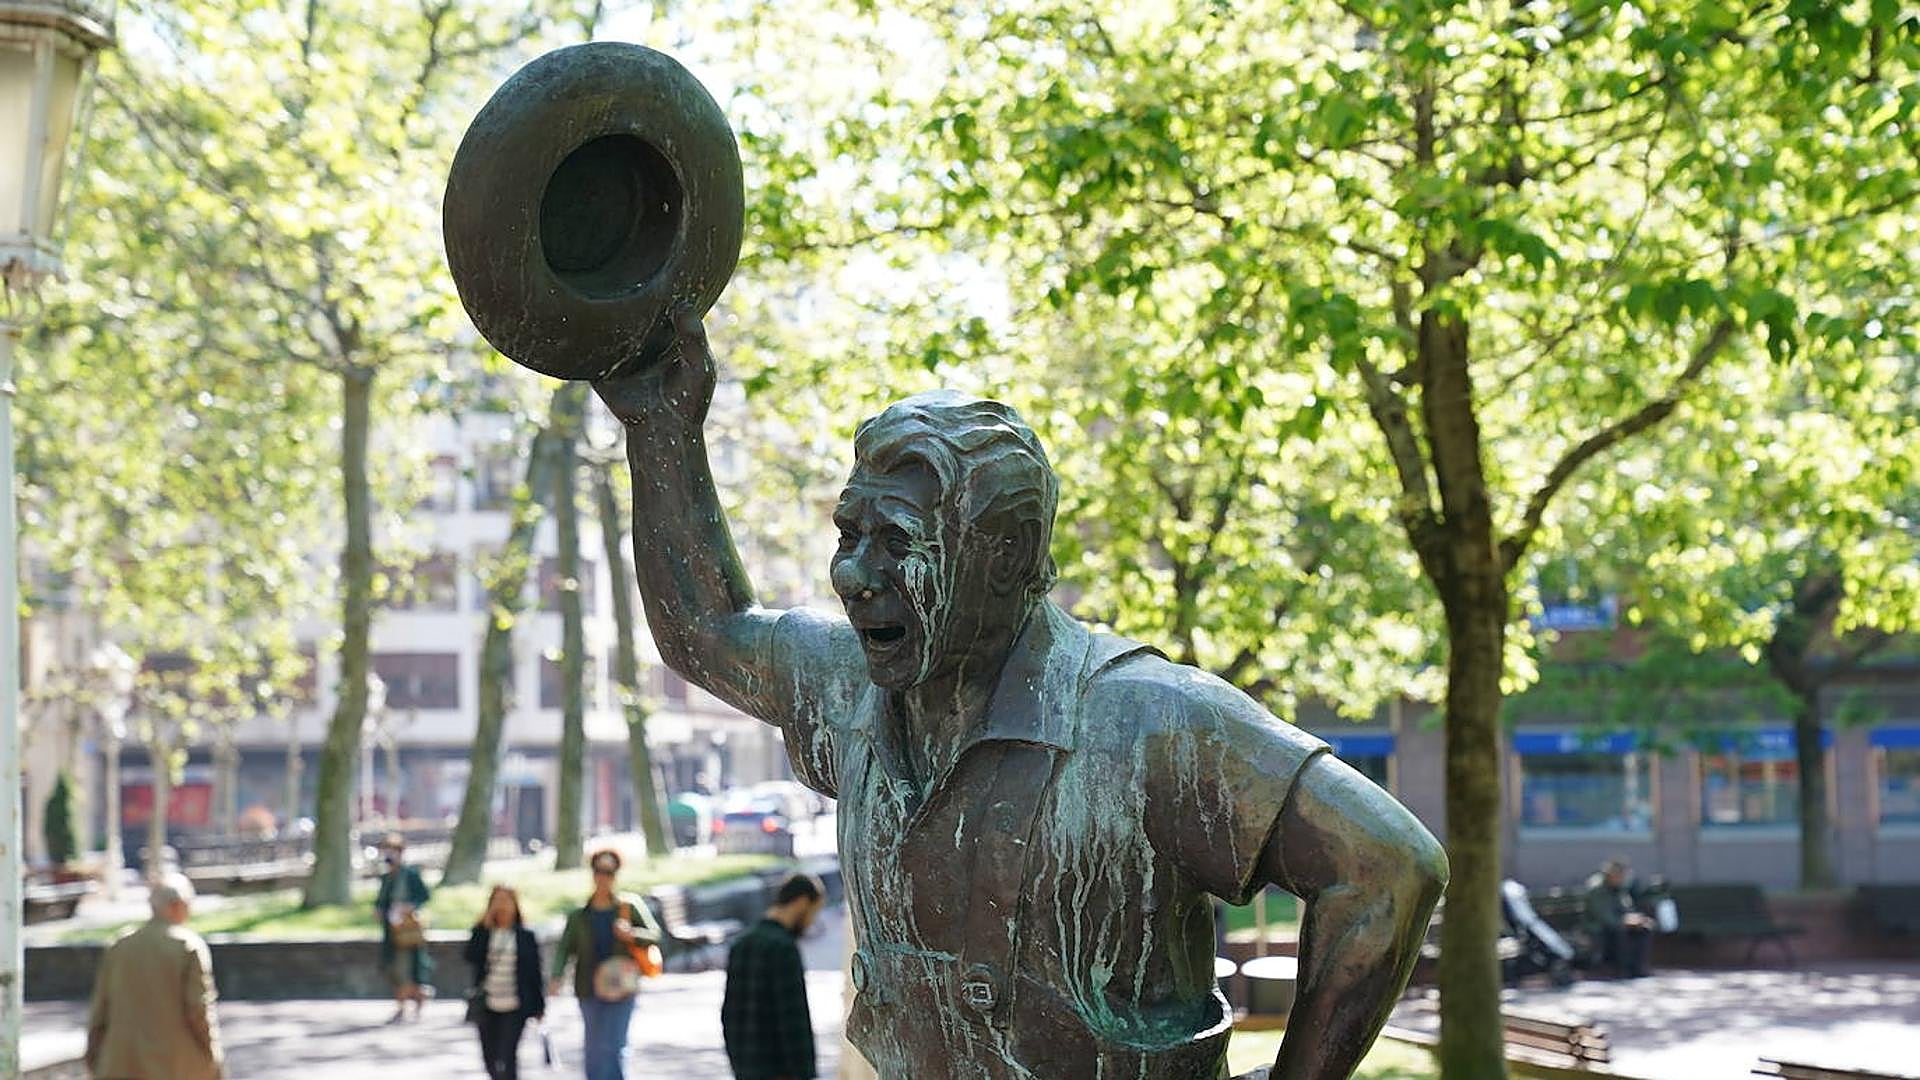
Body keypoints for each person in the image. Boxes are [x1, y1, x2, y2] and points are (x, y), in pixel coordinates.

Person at [593, 313, 1448, 1078]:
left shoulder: (1150, 725)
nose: (855, 575)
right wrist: (661, 425)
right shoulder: (845, 683)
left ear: (1005, 557)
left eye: (898, 543)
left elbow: (1386, 871)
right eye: (849, 534)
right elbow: (704, 630)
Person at [86, 873, 225, 1079]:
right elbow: (198, 1009)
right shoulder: (188, 947)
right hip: (176, 1066)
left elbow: (100, 1010)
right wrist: (213, 1056)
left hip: (122, 1064)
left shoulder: (120, 946)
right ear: (177, 905)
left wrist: (94, 1056)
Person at [549, 849, 664, 1080]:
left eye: (609, 872)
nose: (604, 877)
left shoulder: (629, 906)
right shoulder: (579, 915)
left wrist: (631, 934)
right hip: (588, 988)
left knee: (614, 1047)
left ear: (615, 875)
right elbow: (565, 948)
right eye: (599, 872)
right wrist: (556, 976)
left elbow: (655, 934)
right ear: (593, 874)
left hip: (622, 987)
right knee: (593, 1049)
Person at [722, 873, 828, 1080]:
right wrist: (804, 1073)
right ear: (802, 902)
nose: (811, 921)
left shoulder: (741, 944)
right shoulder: (783, 948)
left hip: (746, 1068)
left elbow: (729, 1014)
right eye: (814, 912)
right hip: (780, 1072)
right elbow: (793, 1019)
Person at [466, 884, 546, 1080]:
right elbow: (470, 956)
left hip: (515, 1004)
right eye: (497, 900)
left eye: (506, 900)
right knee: (490, 1058)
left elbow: (535, 973)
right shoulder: (483, 932)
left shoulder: (525, 937)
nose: (502, 906)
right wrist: (484, 926)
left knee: (507, 1056)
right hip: (487, 1004)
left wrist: (540, 1007)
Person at [374, 832, 434, 1021]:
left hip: (409, 930)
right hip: (392, 931)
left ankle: (418, 1002)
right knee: (395, 968)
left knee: (414, 968)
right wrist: (379, 910)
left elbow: (424, 896)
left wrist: (410, 907)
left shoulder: (410, 874)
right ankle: (400, 1005)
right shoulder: (386, 878)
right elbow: (381, 901)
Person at [1582, 858, 1655, 978]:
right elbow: (1605, 918)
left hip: (1617, 923)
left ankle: (1638, 967)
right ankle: (1622, 969)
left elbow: (1626, 907)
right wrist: (1626, 922)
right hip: (1598, 927)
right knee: (1621, 931)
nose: (1623, 879)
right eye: (1620, 876)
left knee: (1644, 929)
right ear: (1611, 875)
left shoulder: (1619, 888)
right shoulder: (1597, 890)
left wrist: (1636, 919)